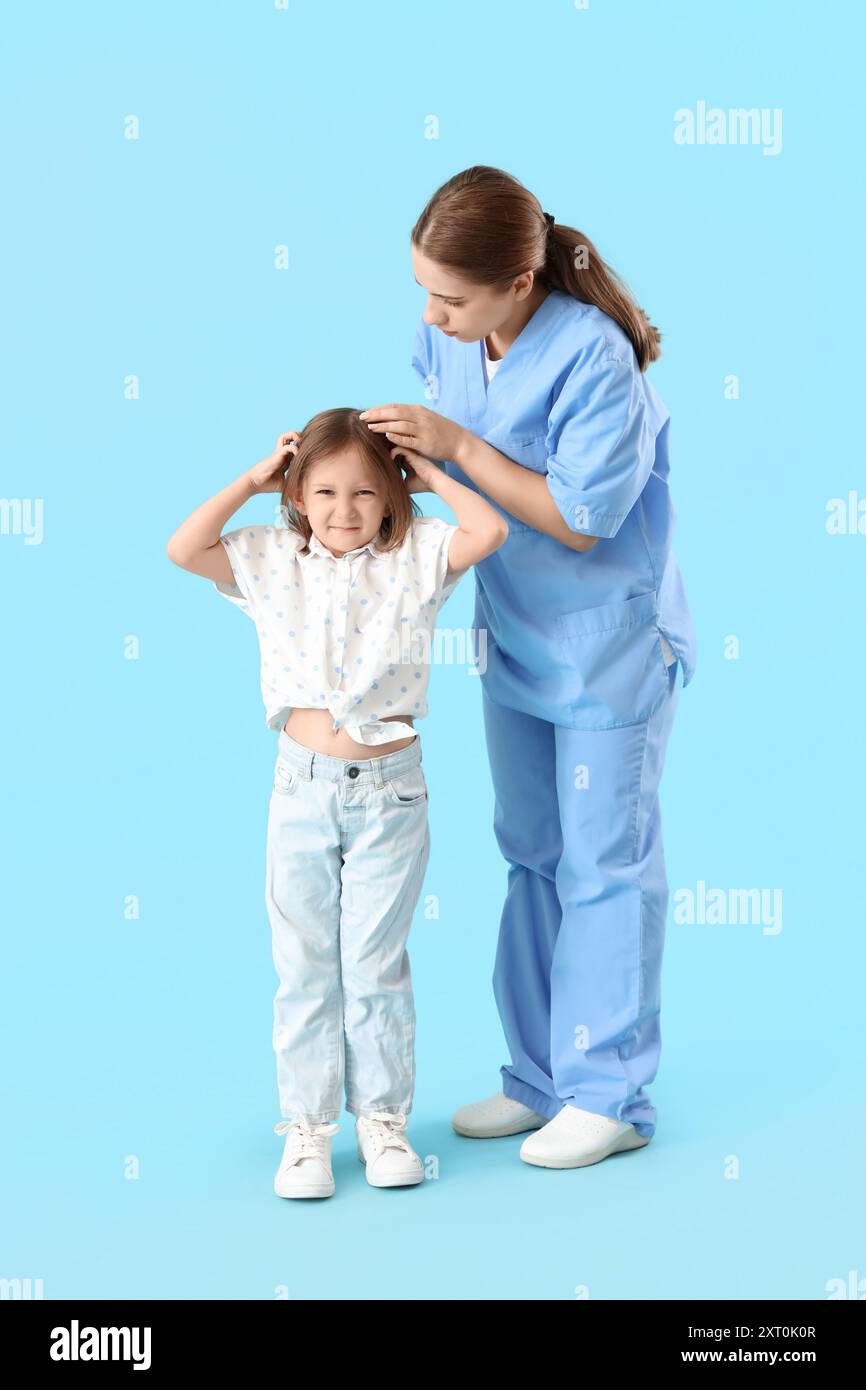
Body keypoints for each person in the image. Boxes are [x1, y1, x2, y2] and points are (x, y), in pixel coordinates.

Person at [359, 165, 697, 1169]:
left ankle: (610, 1093)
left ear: (518, 281)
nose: (431, 315)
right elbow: (451, 485)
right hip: (512, 638)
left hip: (604, 648)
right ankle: (540, 1075)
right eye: (423, 292)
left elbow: (580, 522)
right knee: (532, 856)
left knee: (605, 867)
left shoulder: (597, 360)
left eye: (451, 297)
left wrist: (454, 441)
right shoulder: (447, 339)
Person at [165, 408, 507, 1197]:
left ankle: (383, 1124)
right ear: (297, 495)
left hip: (392, 792)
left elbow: (485, 533)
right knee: (306, 966)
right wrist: (253, 479)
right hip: (302, 787)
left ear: (391, 495)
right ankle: (308, 1133)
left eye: (364, 490)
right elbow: (185, 548)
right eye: (323, 491)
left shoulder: (418, 554)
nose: (344, 509)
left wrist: (434, 478)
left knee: (375, 964)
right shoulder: (271, 558)